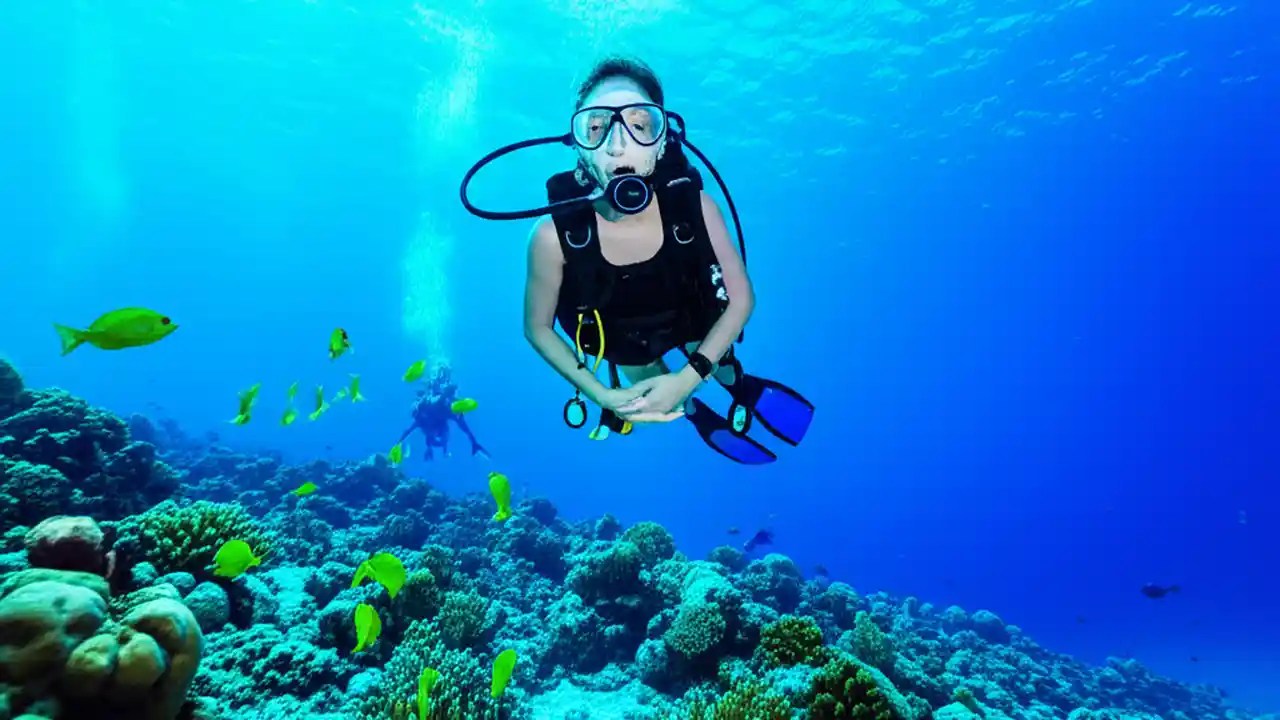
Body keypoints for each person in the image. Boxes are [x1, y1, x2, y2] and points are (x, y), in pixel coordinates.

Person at [458, 56, 813, 464]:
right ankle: (694, 412)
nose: (617, 142)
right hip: (623, 343)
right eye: (596, 127)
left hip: (691, 317)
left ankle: (741, 389)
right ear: (578, 146)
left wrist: (690, 375)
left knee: (719, 367)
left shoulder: (695, 207)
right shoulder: (552, 236)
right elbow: (536, 328)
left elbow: (742, 299)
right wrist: (602, 394)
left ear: (662, 142)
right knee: (653, 403)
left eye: (640, 125)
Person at [397, 365, 487, 461]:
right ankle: (438, 449)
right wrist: (473, 442)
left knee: (440, 434)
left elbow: (408, 430)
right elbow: (464, 428)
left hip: (434, 419)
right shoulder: (428, 409)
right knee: (436, 432)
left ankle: (440, 450)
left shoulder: (444, 410)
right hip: (430, 418)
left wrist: (473, 442)